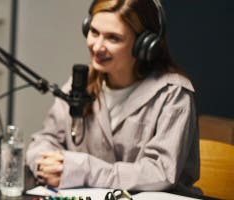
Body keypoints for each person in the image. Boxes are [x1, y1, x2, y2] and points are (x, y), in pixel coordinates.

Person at [26, 0, 201, 196]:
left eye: (113, 38)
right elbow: (43, 140)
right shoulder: (81, 84)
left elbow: (160, 172)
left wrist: (84, 170)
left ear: (144, 44)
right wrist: (46, 166)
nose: (97, 46)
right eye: (93, 32)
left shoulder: (173, 95)